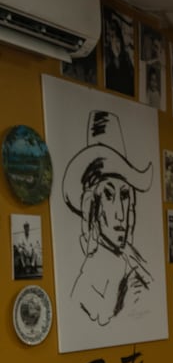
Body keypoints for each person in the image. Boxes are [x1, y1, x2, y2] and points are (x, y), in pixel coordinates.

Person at [64, 110, 153, 326]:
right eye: (109, 195)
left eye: (124, 196)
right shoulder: (87, 286)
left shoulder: (135, 262)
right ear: (92, 204)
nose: (120, 214)